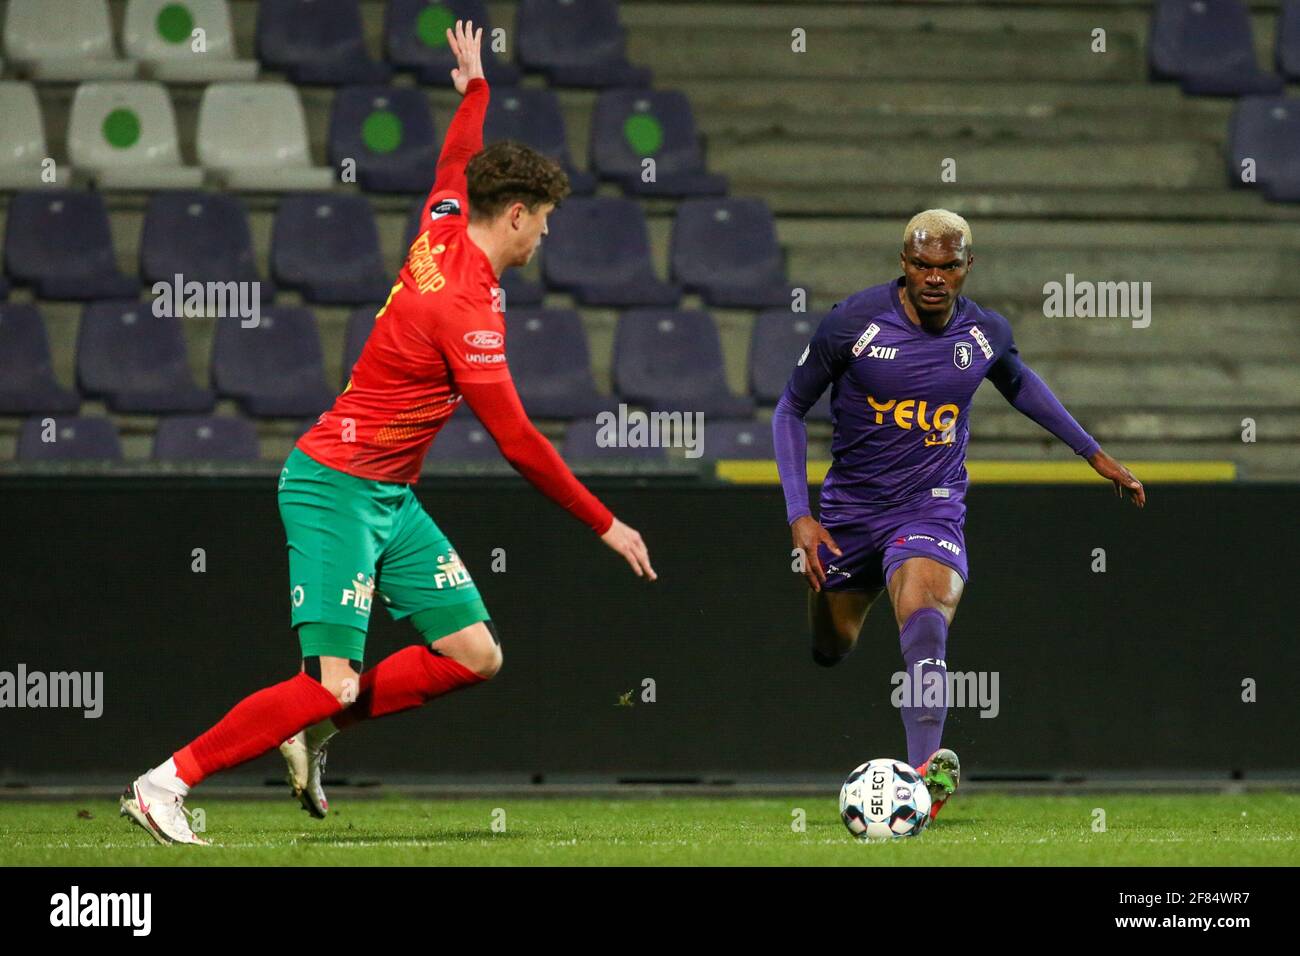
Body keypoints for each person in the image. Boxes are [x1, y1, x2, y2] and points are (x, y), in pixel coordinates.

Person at [121, 21, 655, 845]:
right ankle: (165, 783)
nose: (546, 235)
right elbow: (518, 443)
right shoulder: (465, 308)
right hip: (335, 485)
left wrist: (475, 91)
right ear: (515, 215)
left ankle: (311, 730)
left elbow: (455, 161)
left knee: (474, 653)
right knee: (332, 679)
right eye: (542, 218)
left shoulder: (444, 222)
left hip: (388, 495)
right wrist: (606, 523)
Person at [772, 208, 1144, 820]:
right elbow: (790, 409)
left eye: (948, 266)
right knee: (831, 645)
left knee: (925, 619)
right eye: (922, 264)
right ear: (904, 262)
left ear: (968, 266)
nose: (935, 277)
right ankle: (834, 619)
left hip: (930, 507)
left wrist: (1094, 454)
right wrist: (799, 514)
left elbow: (1021, 384)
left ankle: (921, 777)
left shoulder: (985, 333)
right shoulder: (853, 322)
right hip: (849, 516)